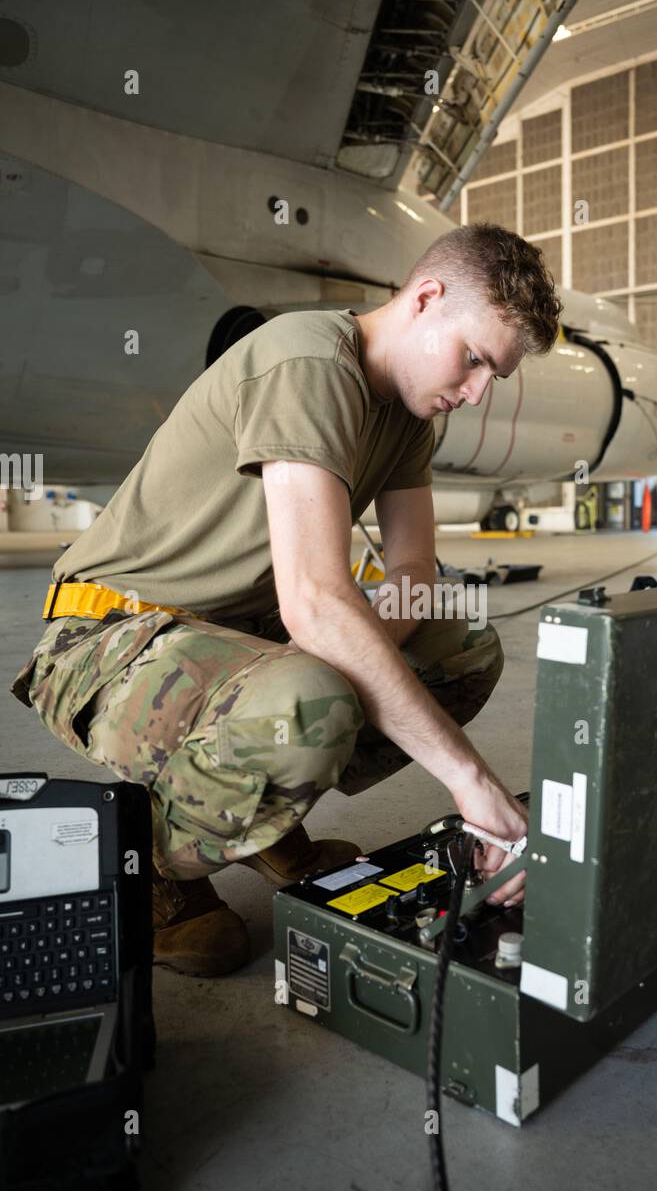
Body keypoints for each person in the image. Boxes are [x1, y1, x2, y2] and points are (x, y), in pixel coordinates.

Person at [9, 222, 562, 977]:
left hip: (231, 635)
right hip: (108, 633)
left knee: (460, 648)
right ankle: (152, 866)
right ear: (426, 298)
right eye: (472, 360)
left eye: (491, 377)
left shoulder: (407, 417)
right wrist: (472, 782)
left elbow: (411, 576)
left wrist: (336, 668)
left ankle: (259, 817)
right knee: (314, 698)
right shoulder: (307, 362)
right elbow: (314, 599)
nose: (472, 392)